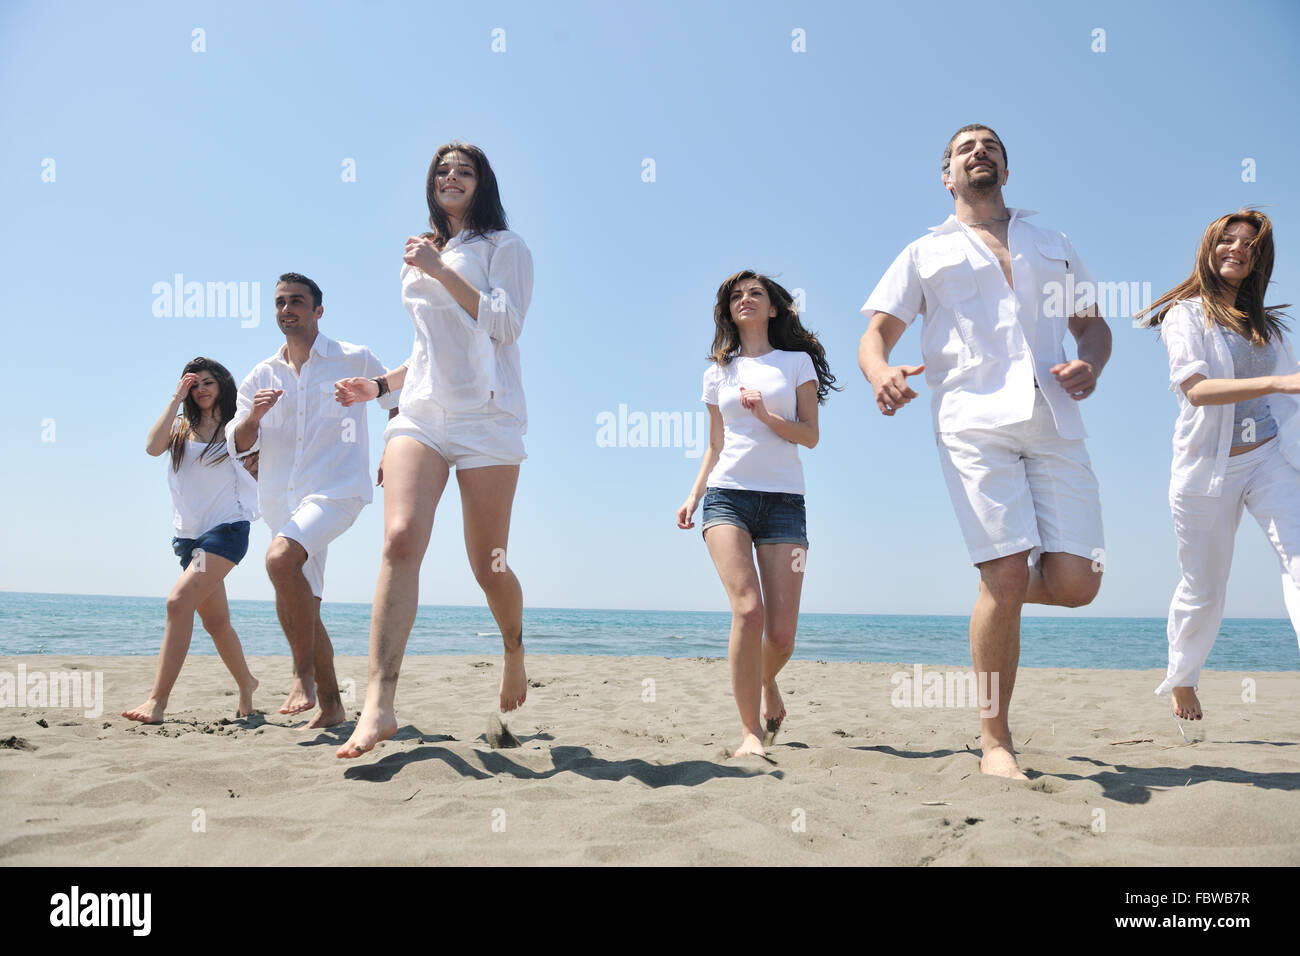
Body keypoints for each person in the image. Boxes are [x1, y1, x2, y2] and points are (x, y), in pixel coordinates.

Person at [858, 124, 1112, 779]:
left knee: (1079, 584)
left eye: (991, 145)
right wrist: (881, 373)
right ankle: (995, 741)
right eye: (966, 148)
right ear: (948, 176)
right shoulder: (924, 252)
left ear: (1006, 167)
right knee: (1005, 574)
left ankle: (992, 595)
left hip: (1053, 416)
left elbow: (1094, 327)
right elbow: (875, 336)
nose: (980, 151)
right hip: (971, 419)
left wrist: (1091, 364)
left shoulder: (1053, 244)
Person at [334, 142, 534, 759]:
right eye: (442, 170)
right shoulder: (419, 252)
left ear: (482, 184)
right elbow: (425, 348)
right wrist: (379, 387)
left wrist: (440, 269)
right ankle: (379, 704)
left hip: (487, 420)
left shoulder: (506, 247)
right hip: (419, 414)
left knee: (488, 565)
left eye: (464, 171)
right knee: (398, 542)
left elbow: (504, 324)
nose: (452, 177)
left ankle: (513, 649)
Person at [1137, 210, 1300, 720]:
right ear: (1209, 250)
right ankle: (1183, 677)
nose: (1236, 249)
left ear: (1258, 260)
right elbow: (1198, 390)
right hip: (1208, 468)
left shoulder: (1269, 329)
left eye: (1248, 245)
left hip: (1270, 457)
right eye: (1226, 241)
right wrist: (1277, 383)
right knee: (1204, 587)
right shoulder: (1187, 315)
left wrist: (1282, 386)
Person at [227, 273, 400, 728]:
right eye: (281, 302)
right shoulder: (261, 374)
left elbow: (399, 399)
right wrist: (254, 417)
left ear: (318, 311)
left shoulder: (354, 357)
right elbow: (238, 442)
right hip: (281, 498)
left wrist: (391, 449)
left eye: (297, 302)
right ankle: (333, 704)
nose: (288, 309)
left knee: (280, 561)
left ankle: (302, 674)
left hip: (337, 490)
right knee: (302, 599)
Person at [677, 271, 836, 759]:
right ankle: (749, 734)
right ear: (728, 311)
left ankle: (766, 677)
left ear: (773, 309)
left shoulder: (796, 363)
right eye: (735, 296)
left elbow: (810, 435)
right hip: (727, 497)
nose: (745, 300)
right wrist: (692, 494)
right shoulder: (716, 372)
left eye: (755, 294)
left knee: (782, 635)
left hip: (785, 502)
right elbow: (715, 445)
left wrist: (766, 415)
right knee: (748, 610)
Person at [123, 358, 259, 724]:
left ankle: (157, 701)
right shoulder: (180, 428)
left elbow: (261, 458)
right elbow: (152, 448)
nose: (201, 389)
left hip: (225, 533)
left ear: (222, 386)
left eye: (208, 382)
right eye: (194, 384)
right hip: (189, 541)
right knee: (217, 624)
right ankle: (247, 684)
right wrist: (174, 398)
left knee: (177, 603)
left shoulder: (233, 430)